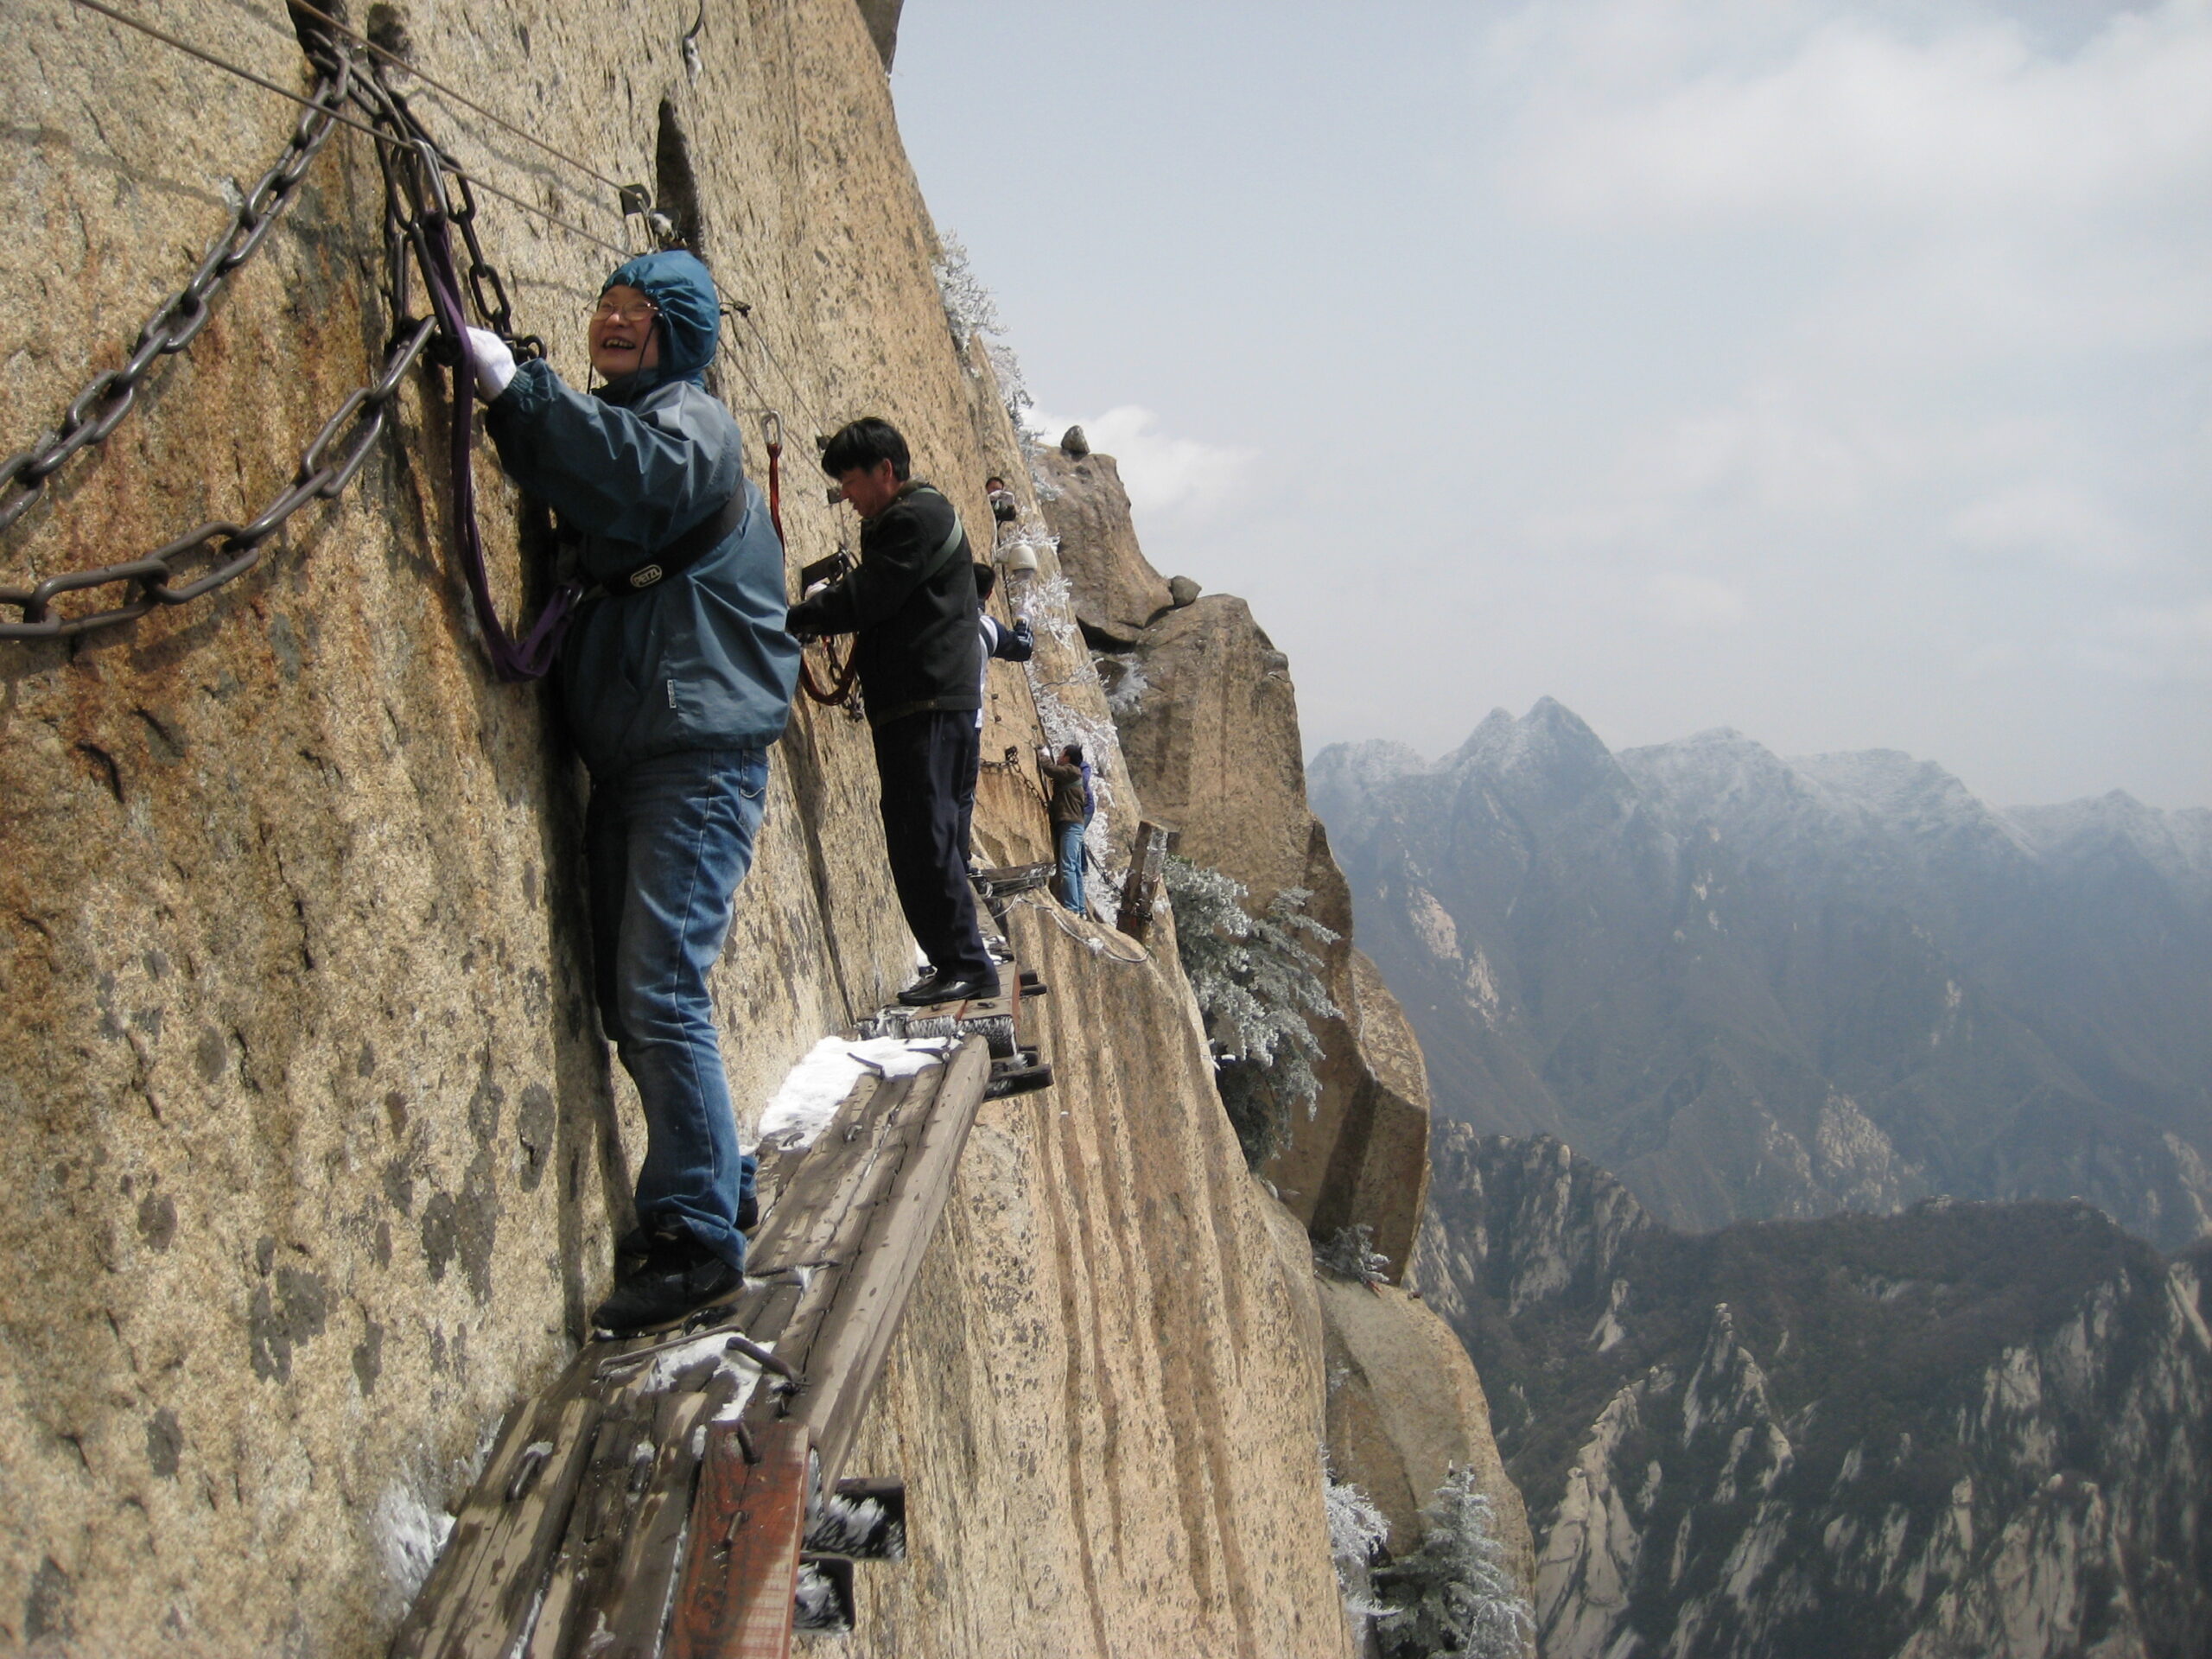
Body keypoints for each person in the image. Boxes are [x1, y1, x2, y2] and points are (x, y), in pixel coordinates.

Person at [460, 251, 799, 1337]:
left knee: (657, 989)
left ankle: (698, 1238)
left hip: (693, 759)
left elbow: (626, 471)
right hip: (652, 750)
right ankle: (715, 1177)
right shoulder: (651, 419)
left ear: (678, 337)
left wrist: (521, 394)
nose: (612, 322)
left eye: (637, 314)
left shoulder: (691, 425)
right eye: (607, 306)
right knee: (635, 993)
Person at [787, 419, 999, 1005]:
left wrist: (798, 619)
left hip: (923, 701)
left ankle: (964, 963)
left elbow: (869, 596)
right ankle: (959, 958)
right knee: (934, 834)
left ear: (885, 472)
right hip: (934, 700)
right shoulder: (923, 516)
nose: (847, 498)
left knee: (921, 836)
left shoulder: (911, 520)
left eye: (851, 483)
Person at [958, 563, 1034, 863]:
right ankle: (958, 857)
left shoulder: (940, 611)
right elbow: (1024, 648)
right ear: (989, 593)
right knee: (963, 794)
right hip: (969, 720)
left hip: (930, 710)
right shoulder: (987, 627)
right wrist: (1024, 615)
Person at [1037, 743, 1093, 913]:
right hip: (1073, 824)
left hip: (1071, 825)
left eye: (1061, 754)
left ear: (1068, 757)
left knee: (1068, 866)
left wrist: (1043, 755)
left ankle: (1072, 909)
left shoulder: (1071, 771)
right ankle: (1080, 909)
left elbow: (1049, 769)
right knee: (1074, 867)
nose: (1059, 757)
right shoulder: (1074, 772)